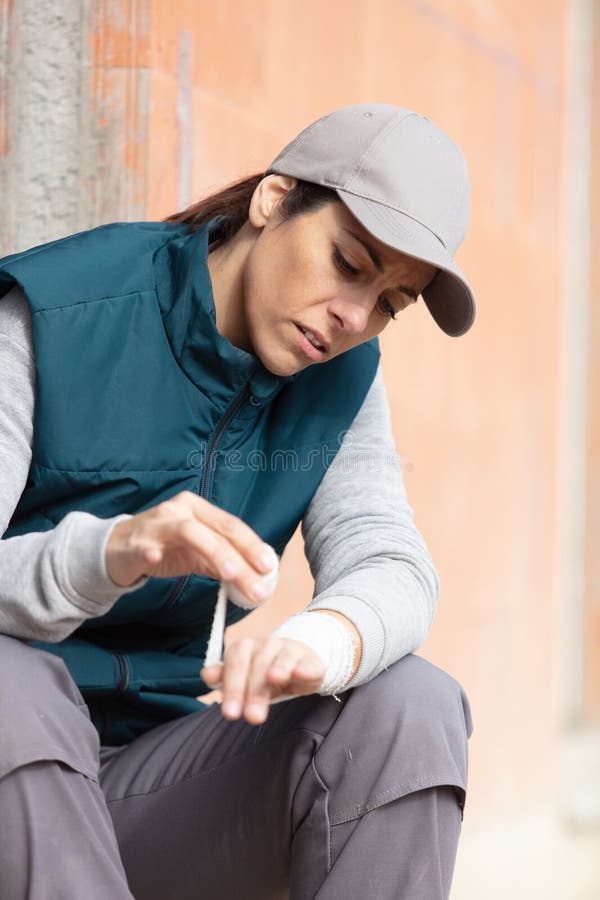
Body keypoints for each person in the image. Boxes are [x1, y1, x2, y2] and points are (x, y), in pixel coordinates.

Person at [0, 103, 474, 899]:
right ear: (274, 199)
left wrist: (320, 643)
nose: (355, 317)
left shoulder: (340, 377)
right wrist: (110, 553)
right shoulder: (55, 315)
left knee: (409, 703)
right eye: (349, 263)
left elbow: (391, 561)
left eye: (390, 303)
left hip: (145, 791)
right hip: (17, 769)